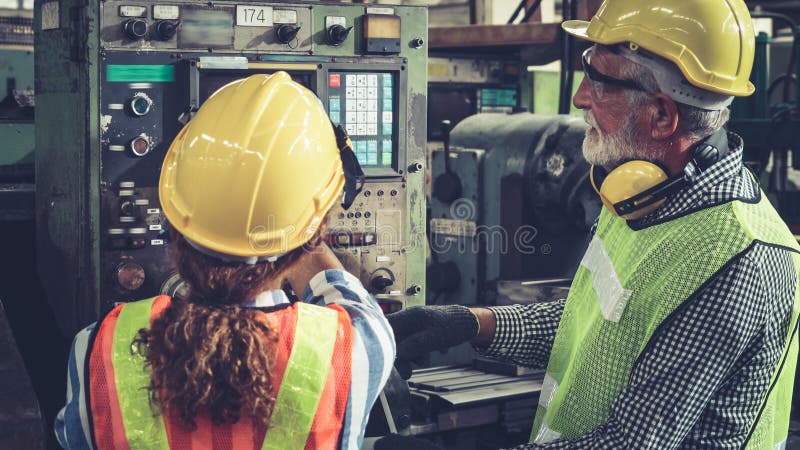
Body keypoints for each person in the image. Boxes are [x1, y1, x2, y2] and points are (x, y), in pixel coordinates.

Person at [386, 1, 800, 449]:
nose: (580, 97)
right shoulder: (641, 193)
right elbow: (604, 325)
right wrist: (476, 323)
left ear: (661, 115)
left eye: (599, 80)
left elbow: (628, 443)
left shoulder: (734, 263)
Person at [54, 72, 395, 450]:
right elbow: (350, 300)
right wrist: (298, 222)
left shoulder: (97, 349)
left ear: (174, 221)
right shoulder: (357, 347)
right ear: (313, 234)